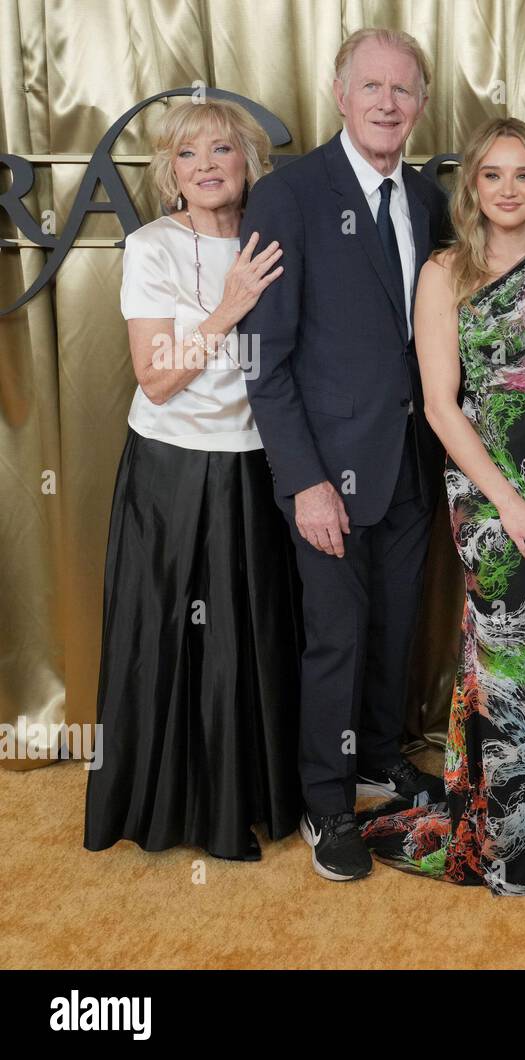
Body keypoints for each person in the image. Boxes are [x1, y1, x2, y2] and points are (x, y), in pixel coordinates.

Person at [359, 118, 525, 894]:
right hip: (488, 498)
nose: (508, 190)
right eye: (493, 175)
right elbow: (441, 406)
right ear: (472, 185)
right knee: (504, 660)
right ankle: (503, 835)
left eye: (524, 175)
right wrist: (508, 506)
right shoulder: (444, 273)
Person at [240, 28, 451, 882]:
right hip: (327, 470)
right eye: (372, 86)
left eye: (403, 90)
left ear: (421, 106)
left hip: (410, 456)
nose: (388, 103)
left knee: (396, 624)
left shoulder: (430, 199)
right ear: (339, 95)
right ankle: (328, 799)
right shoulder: (289, 195)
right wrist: (305, 481)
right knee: (334, 636)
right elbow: (267, 356)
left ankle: (378, 759)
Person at [84, 98, 299, 862]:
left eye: (221, 150)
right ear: (170, 174)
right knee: (177, 636)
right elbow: (156, 379)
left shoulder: (273, 239)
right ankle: (179, 805)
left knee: (248, 636)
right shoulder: (151, 248)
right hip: (173, 467)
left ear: (248, 164)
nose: (206, 166)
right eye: (187, 155)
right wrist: (227, 307)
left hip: (255, 462)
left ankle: (250, 796)